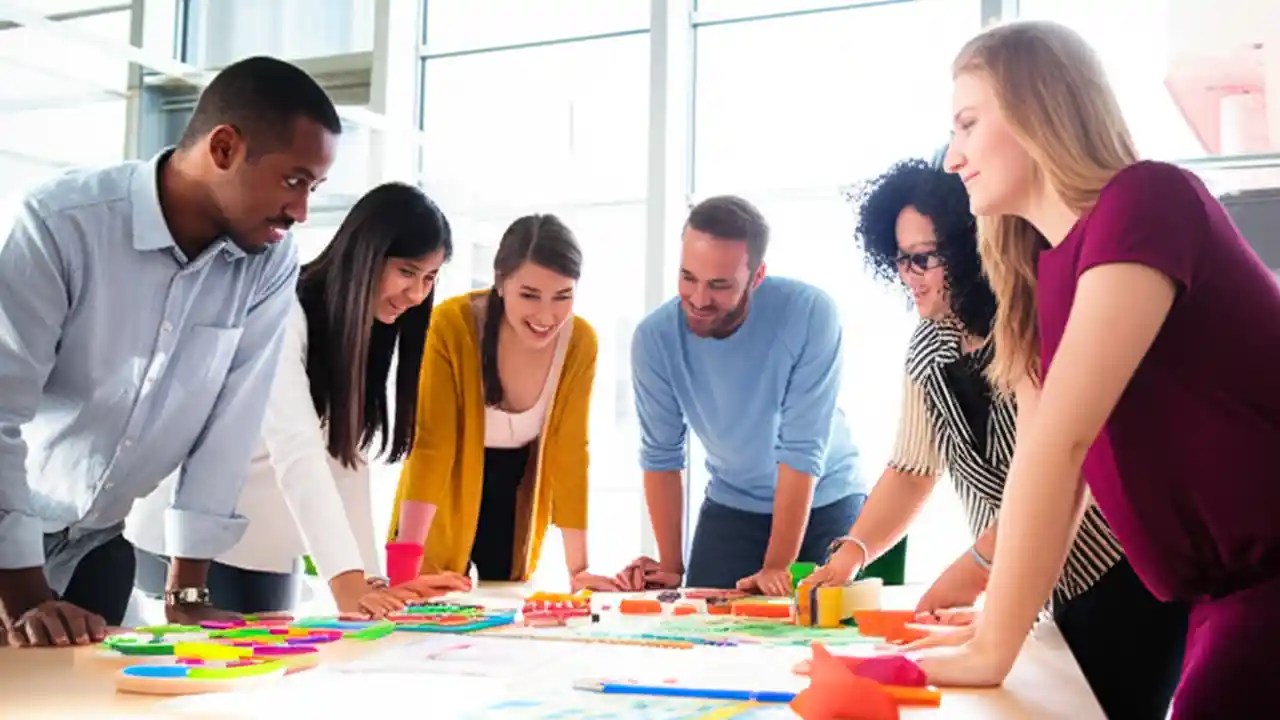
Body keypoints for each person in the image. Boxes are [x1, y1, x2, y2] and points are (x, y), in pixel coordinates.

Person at [910, 20, 1280, 720]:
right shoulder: (1044, 277)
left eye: (967, 124)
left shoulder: (1147, 199)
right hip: (1220, 602)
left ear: (1036, 109)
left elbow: (1061, 444)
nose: (953, 157)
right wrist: (994, 631)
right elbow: (1047, 469)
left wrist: (993, 650)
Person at [805, 157, 1186, 719]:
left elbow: (1061, 469)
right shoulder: (928, 346)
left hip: (1119, 571)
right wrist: (853, 553)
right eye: (901, 259)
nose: (909, 275)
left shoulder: (1036, 324)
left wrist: (978, 565)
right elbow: (911, 468)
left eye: (923, 258)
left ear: (968, 249)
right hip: (1036, 584)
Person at [0, 56, 340, 647]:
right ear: (224, 148)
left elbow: (231, 420)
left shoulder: (268, 262)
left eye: (314, 188)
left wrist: (187, 592)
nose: (302, 211)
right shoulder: (64, 224)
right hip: (13, 529)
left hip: (99, 545)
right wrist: (25, 597)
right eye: (294, 180)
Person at [127, 182, 472, 615]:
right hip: (188, 552)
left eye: (430, 278)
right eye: (407, 272)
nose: (418, 294)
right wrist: (348, 584)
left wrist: (370, 581)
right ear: (366, 255)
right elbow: (297, 449)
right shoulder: (284, 311)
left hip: (267, 556)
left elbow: (346, 463)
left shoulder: (366, 329)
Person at [614, 195, 868, 596]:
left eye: (719, 285)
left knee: (813, 615)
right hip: (733, 501)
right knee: (697, 618)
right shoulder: (654, 338)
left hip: (826, 498)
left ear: (757, 276)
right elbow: (661, 455)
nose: (699, 299)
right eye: (688, 278)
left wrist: (776, 567)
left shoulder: (810, 313)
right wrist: (670, 566)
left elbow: (802, 450)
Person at [371, 214, 615, 595]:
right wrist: (404, 573)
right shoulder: (453, 324)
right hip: (445, 491)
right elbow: (432, 446)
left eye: (563, 296)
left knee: (505, 606)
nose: (546, 315)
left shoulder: (580, 342)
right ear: (500, 282)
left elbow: (570, 453)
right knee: (427, 605)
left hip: (517, 497)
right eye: (529, 295)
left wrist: (579, 571)